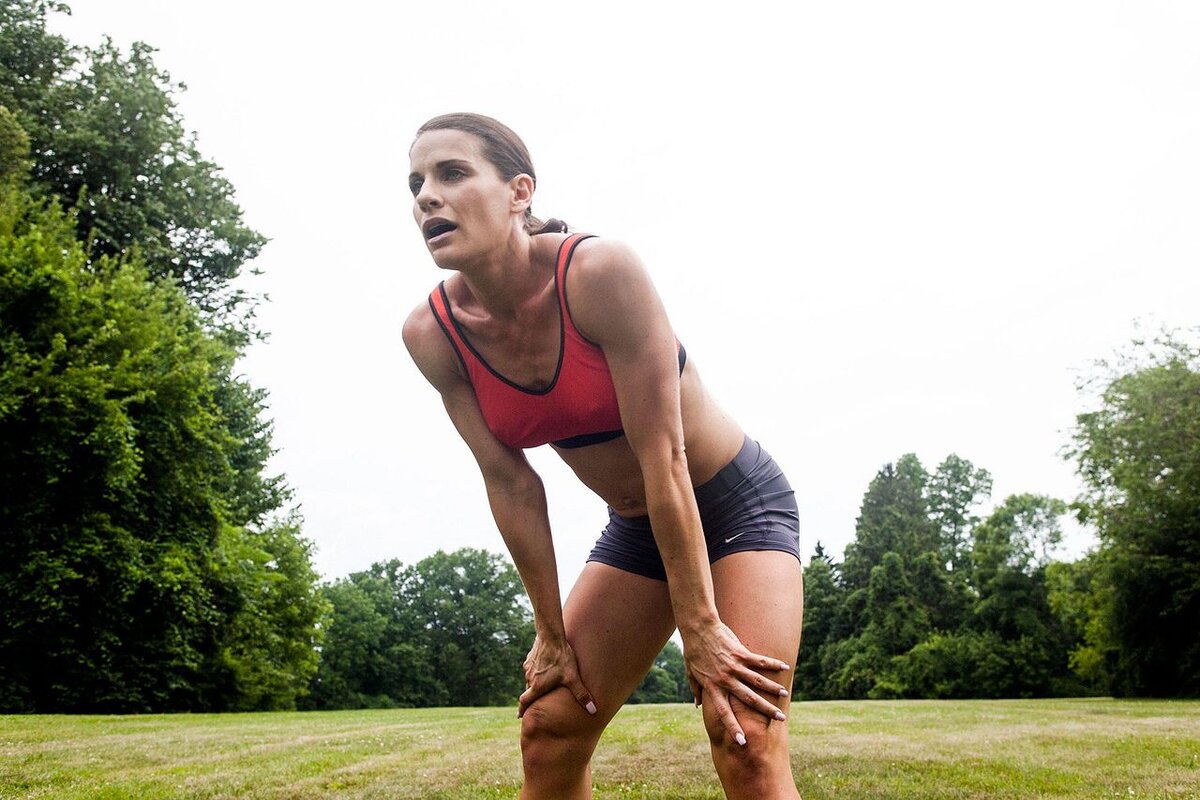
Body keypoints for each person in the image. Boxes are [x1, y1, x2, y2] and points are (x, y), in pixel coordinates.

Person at [403, 112, 804, 800]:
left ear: (519, 191)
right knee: (551, 727)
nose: (426, 197)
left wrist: (701, 628)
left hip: (731, 502)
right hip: (639, 525)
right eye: (415, 183)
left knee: (742, 730)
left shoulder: (597, 273)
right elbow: (511, 485)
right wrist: (550, 634)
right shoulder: (433, 334)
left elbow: (666, 459)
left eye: (452, 173)